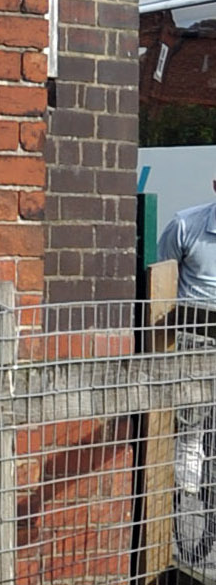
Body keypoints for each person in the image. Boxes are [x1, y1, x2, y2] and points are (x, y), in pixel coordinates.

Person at [163, 181, 216, 569]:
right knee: (190, 429)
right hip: (193, 343)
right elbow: (159, 287)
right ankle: (185, 500)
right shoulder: (185, 225)